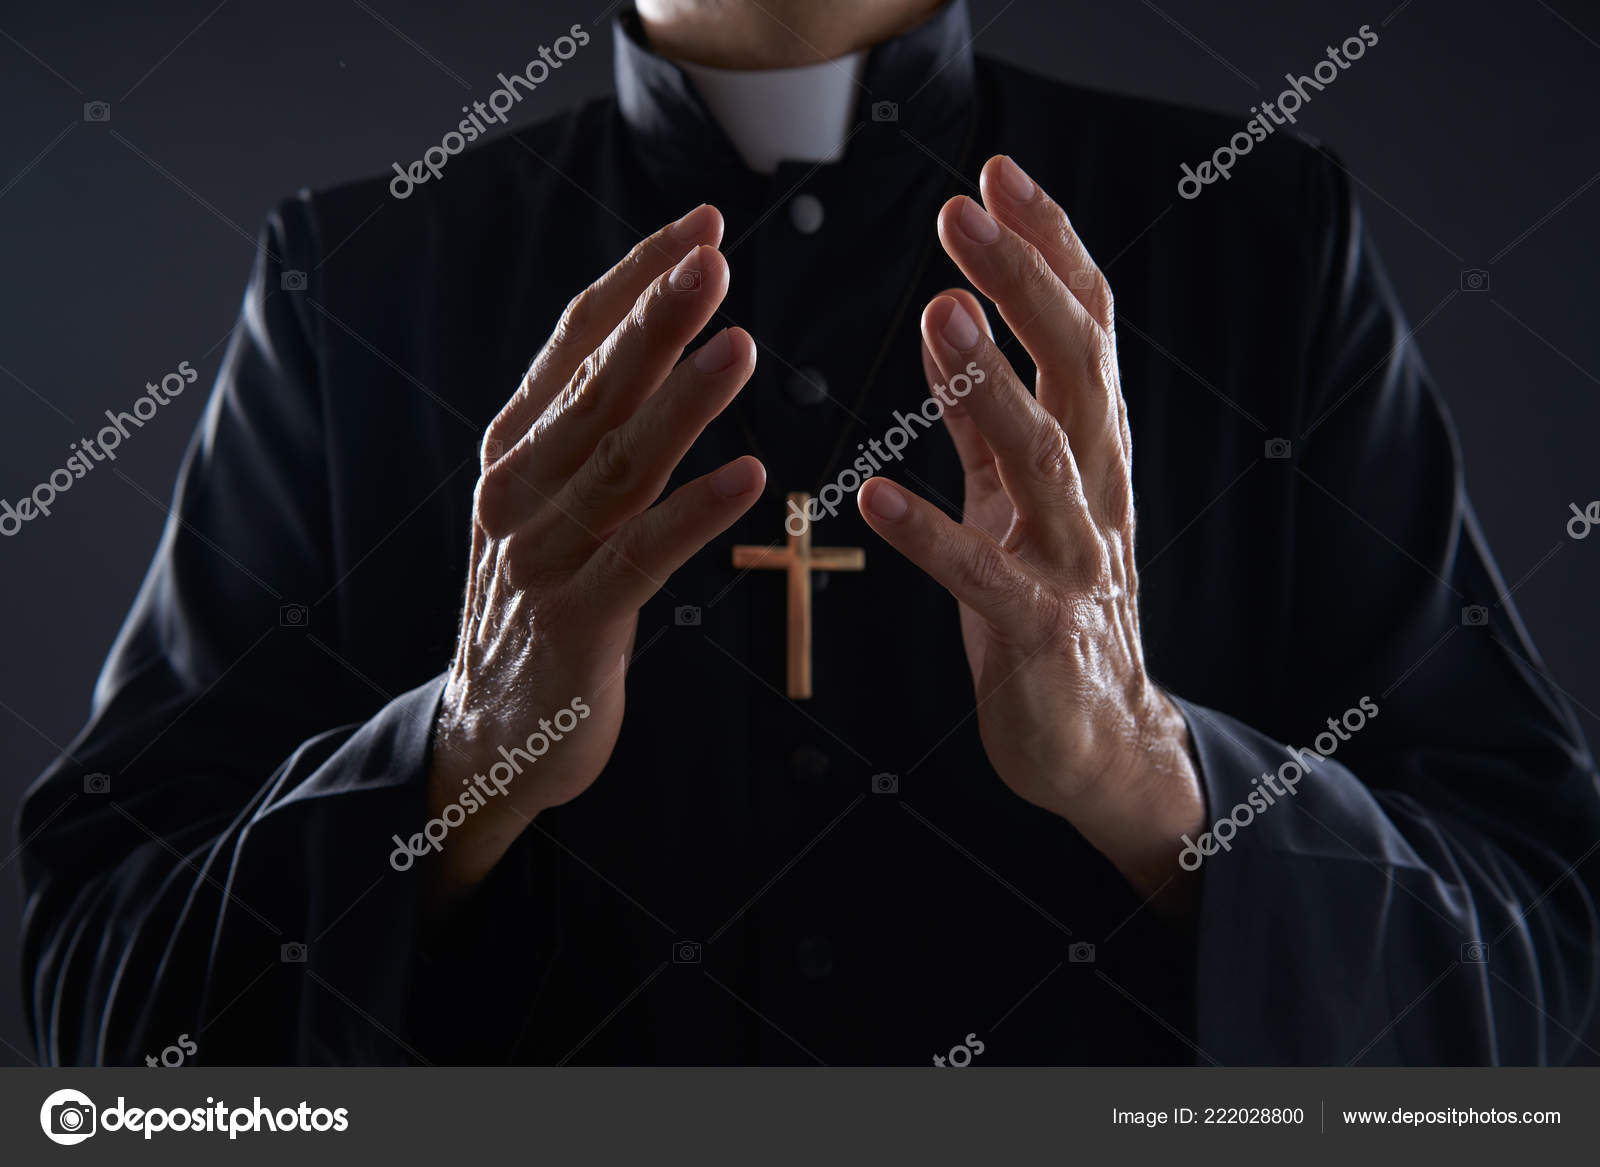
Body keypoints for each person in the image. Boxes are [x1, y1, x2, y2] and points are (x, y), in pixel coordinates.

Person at [19, 0, 1600, 1065]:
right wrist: (455, 757)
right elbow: (95, 1020)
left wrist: (1162, 783)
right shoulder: (357, 277)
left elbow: (1543, 972)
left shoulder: (1256, 230)